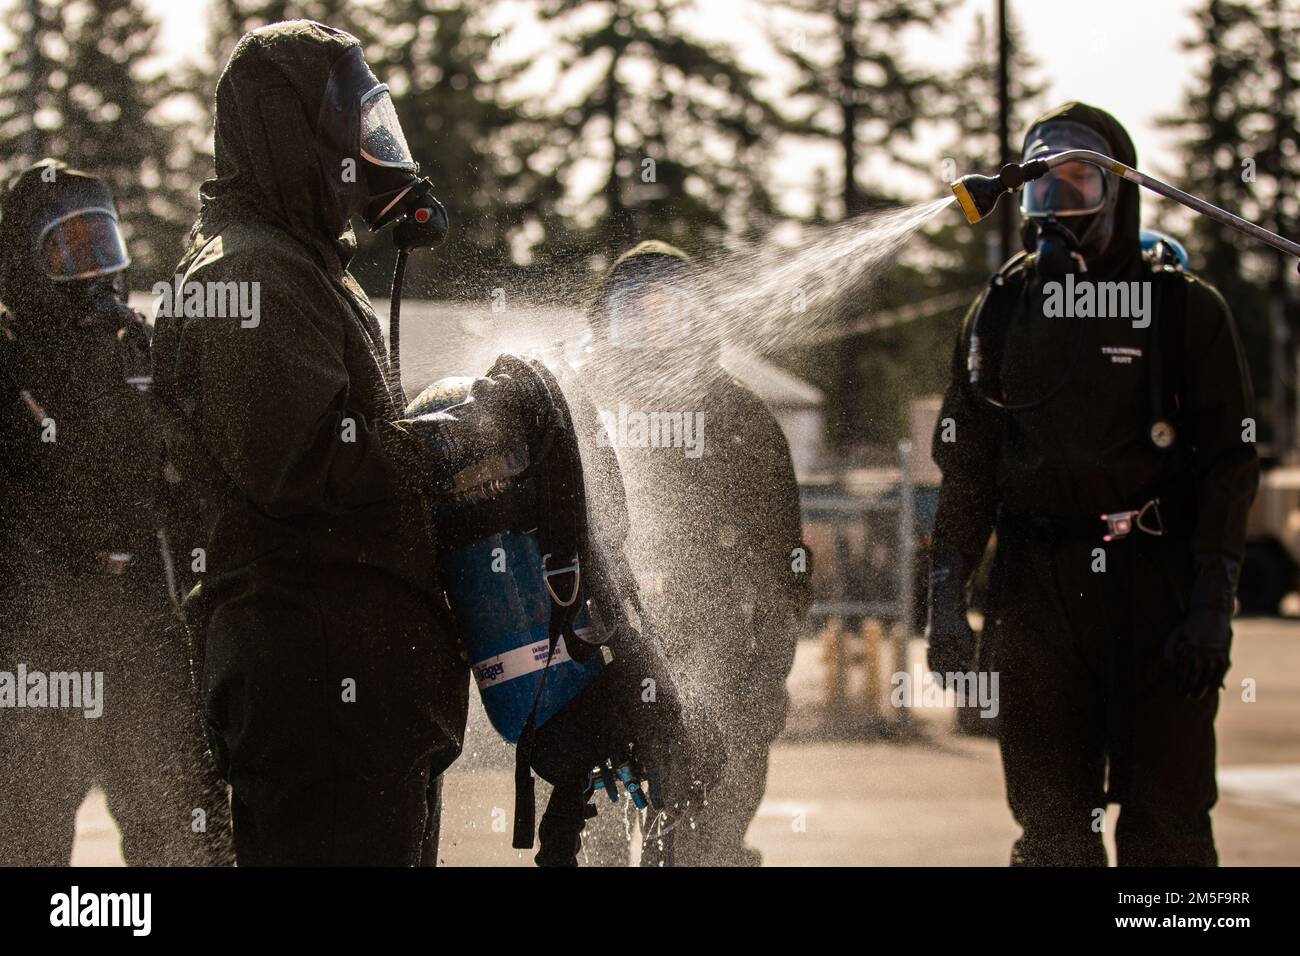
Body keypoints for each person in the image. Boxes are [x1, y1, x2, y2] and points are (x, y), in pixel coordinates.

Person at [149, 20, 475, 865]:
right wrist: (446, 447)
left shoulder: (301, 265)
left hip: (348, 682)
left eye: (383, 127)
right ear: (299, 133)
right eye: (361, 129)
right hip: (318, 678)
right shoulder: (247, 275)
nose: (379, 152)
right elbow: (309, 465)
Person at [927, 102, 1260, 866]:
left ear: (1122, 192)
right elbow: (968, 471)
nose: (1056, 204)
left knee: (1168, 833)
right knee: (1052, 836)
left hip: (1158, 596)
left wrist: (1213, 602)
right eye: (1040, 185)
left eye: (1078, 183)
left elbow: (1228, 468)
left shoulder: (1182, 307)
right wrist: (945, 597)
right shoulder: (1000, 313)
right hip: (1036, 599)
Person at [0, 160, 233, 865]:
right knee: (26, 837)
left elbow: (192, 480)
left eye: (103, 247)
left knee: (186, 829)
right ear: (23, 265)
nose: (94, 272)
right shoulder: (8, 360)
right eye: (67, 252)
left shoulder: (141, 345)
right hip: (37, 645)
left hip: (144, 634)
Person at [577, 240, 811, 866]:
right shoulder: (576, 411)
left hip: (721, 673)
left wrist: (767, 675)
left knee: (703, 850)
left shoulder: (739, 414)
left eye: (669, 310)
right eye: (635, 310)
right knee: (591, 850)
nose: (652, 326)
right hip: (602, 669)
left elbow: (784, 563)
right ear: (606, 323)